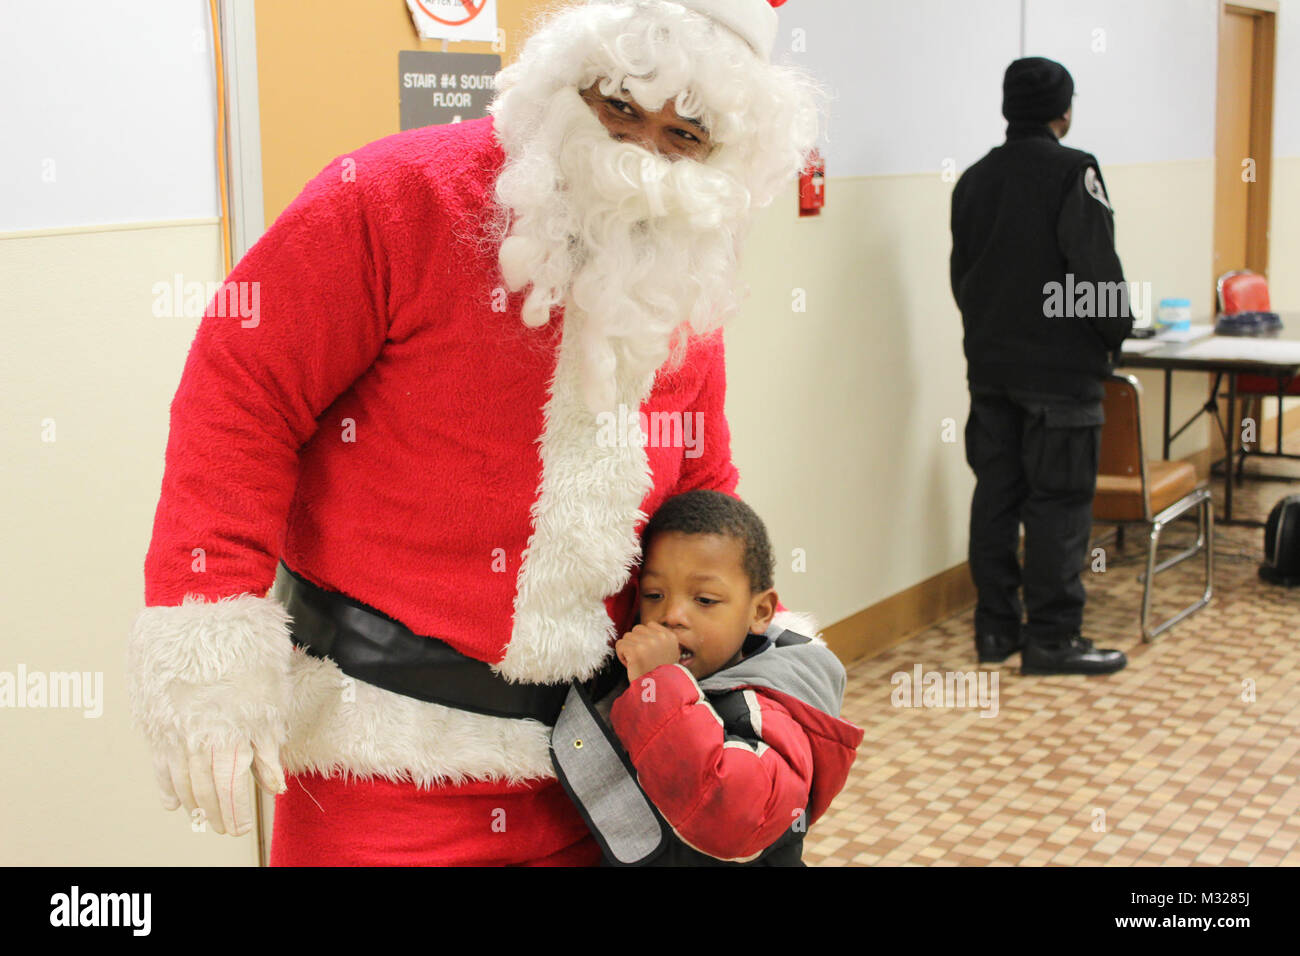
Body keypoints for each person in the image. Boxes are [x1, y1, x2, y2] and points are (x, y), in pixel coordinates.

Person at [125, 0, 821, 865]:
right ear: (568, 80)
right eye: (620, 109)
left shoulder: (679, 269)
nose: (641, 159)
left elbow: (697, 492)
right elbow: (240, 391)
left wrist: (753, 655)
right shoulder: (392, 197)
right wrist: (209, 632)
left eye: (684, 136)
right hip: (380, 771)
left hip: (601, 772)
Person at [550, 490, 864, 866]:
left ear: (760, 611)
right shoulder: (639, 681)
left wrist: (662, 683)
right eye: (654, 594)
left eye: (705, 600)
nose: (672, 615)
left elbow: (733, 817)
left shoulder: (767, 708)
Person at [949, 57, 1133, 676]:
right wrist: (1117, 334)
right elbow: (1096, 269)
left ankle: (996, 632)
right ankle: (1053, 640)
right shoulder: (1074, 170)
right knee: (1058, 505)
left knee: (996, 498)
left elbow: (963, 279)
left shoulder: (972, 180)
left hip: (992, 369)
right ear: (1064, 109)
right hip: (1061, 375)